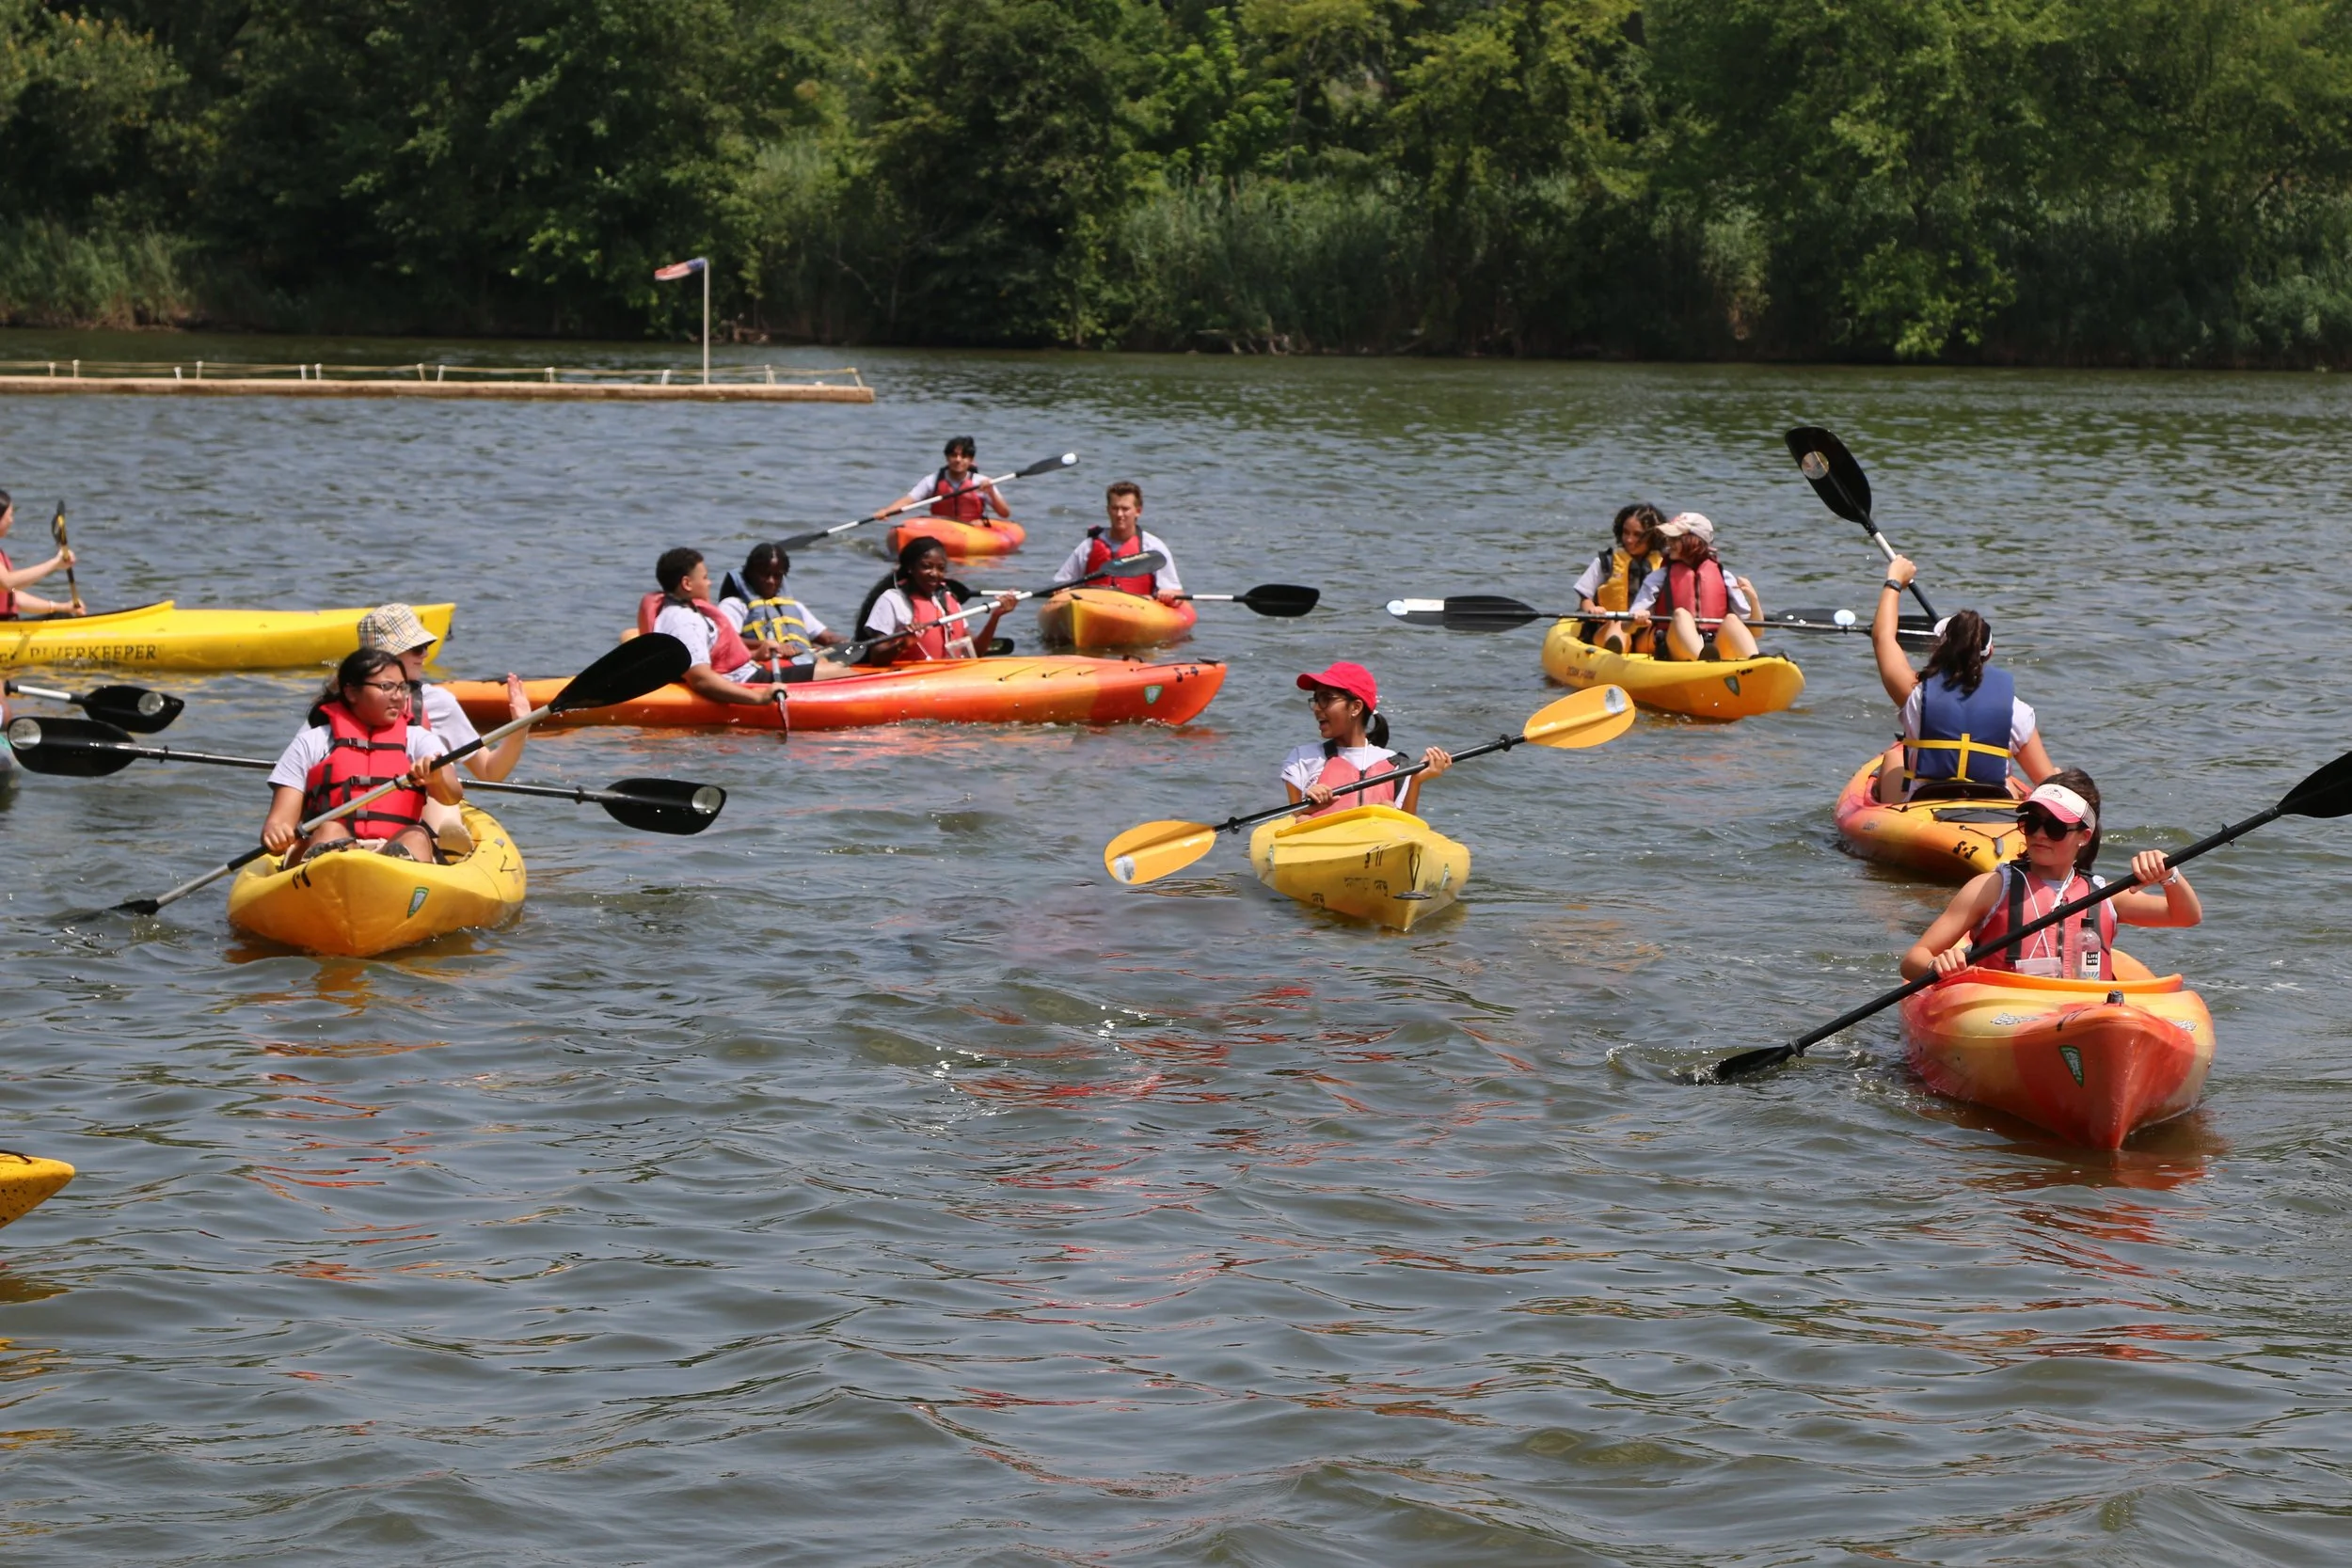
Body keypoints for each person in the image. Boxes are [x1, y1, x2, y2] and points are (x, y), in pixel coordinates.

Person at [1900, 772, 2201, 981]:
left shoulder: (2104, 893)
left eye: (2054, 827)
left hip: (2080, 1008)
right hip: (2001, 1007)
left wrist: (2169, 874)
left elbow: (2185, 916)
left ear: (2083, 837)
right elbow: (1913, 961)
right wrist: (1934, 963)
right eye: (2031, 823)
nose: (2040, 835)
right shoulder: (1992, 887)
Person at [1868, 555, 2058, 805]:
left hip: (1923, 807)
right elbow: (2045, 781)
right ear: (1990, 652)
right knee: (2017, 781)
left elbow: (1883, 637)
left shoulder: (1916, 694)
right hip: (1990, 812)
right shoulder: (2016, 711)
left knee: (1894, 758)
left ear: (1940, 648)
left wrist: (1894, 580)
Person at [262, 648, 464, 865]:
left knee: (416, 835)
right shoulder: (313, 741)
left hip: (393, 850)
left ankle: (403, 883)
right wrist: (276, 833)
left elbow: (452, 795)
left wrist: (438, 779)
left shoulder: (418, 739)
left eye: (402, 687)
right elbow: (280, 820)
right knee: (331, 830)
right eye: (386, 687)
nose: (398, 697)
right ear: (351, 692)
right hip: (329, 854)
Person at [358, 604, 532, 781]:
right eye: (417, 648)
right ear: (388, 656)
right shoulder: (343, 702)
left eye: (426, 646)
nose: (425, 654)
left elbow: (489, 771)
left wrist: (520, 728)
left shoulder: (438, 703)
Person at [1280, 661, 1453, 817]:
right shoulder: (1301, 758)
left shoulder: (1396, 764)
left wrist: (1416, 780)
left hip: (1377, 845)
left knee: (1387, 806)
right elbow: (1295, 815)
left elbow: (1407, 826)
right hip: (1321, 844)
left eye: (1326, 699)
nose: (1317, 708)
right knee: (1302, 820)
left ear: (1355, 707)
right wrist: (1310, 807)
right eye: (1316, 700)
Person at [639, 547, 793, 713]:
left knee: (816, 667)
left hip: (740, 672)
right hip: (743, 679)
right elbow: (702, 680)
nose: (709, 583)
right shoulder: (686, 623)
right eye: (705, 577)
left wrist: (755, 655)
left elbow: (708, 655)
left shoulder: (673, 609)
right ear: (687, 584)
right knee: (822, 672)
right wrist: (760, 699)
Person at [712, 544, 863, 682]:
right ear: (750, 573)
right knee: (835, 672)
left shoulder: (795, 607)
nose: (771, 581)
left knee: (833, 665)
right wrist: (771, 645)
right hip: (765, 668)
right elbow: (725, 642)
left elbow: (827, 638)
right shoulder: (734, 605)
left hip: (801, 661)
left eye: (777, 576)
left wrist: (846, 642)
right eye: (765, 574)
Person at [856, 537, 1016, 663]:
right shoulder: (892, 600)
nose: (934, 573)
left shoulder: (948, 599)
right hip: (906, 680)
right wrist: (903, 643)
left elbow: (974, 653)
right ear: (910, 568)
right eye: (926, 566)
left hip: (945, 678)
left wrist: (995, 617)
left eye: (940, 568)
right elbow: (876, 657)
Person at [1629, 513, 1761, 661]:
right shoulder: (1659, 577)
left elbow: (1756, 632)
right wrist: (1638, 617)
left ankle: (1757, 664)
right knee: (1680, 615)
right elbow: (1626, 627)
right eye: (1669, 538)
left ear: (1695, 541)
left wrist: (1754, 599)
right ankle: (1703, 662)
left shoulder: (1724, 577)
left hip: (1714, 647)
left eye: (1675, 539)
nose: (1669, 543)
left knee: (1731, 619)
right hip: (1673, 648)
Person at [1050, 482, 1182, 598]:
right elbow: (1062, 582)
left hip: (1138, 607)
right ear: (1108, 510)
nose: (1119, 514)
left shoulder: (1153, 548)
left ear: (1138, 511)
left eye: (1125, 509)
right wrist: (1063, 589)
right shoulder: (1088, 546)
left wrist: (1168, 594)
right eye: (1115, 508)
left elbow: (1175, 591)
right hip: (1094, 605)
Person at [1573, 503, 1664, 653]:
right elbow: (1585, 597)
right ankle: (1615, 656)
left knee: (1659, 634)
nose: (1629, 539)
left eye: (1637, 535)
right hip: (1608, 629)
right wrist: (1592, 609)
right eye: (1626, 532)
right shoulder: (1606, 562)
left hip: (1644, 631)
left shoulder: (1664, 566)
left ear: (1652, 536)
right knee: (1618, 624)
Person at [0, 490, 86, 619]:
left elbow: (13, 597)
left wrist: (61, 606)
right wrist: (55, 564)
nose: (12, 521)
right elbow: (7, 583)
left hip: (9, 627)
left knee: (61, 615)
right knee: (61, 618)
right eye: (10, 515)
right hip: (5, 630)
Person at [888, 436, 1010, 524]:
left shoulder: (982, 482)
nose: (958, 460)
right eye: (953, 455)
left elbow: (1004, 513)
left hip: (972, 528)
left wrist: (991, 493)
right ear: (947, 458)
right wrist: (886, 511)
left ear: (971, 460)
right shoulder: (932, 480)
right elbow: (908, 501)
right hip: (942, 527)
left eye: (963, 457)